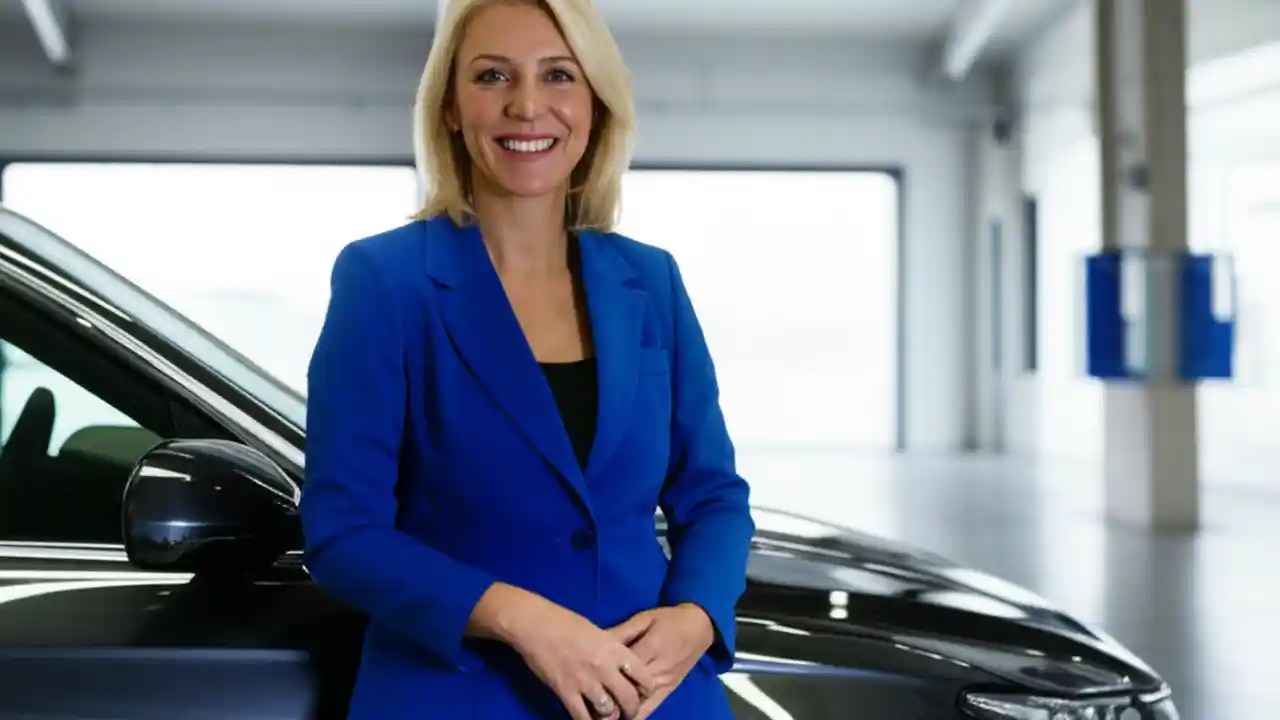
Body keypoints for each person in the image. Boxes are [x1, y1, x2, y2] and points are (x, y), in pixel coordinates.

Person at [299, 0, 754, 717]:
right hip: (458, 694)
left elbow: (714, 496)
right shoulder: (384, 280)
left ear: (596, 105)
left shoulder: (651, 281)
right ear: (450, 107)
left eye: (559, 76)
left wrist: (697, 615)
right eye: (491, 76)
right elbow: (342, 533)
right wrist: (521, 618)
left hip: (652, 695)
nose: (527, 106)